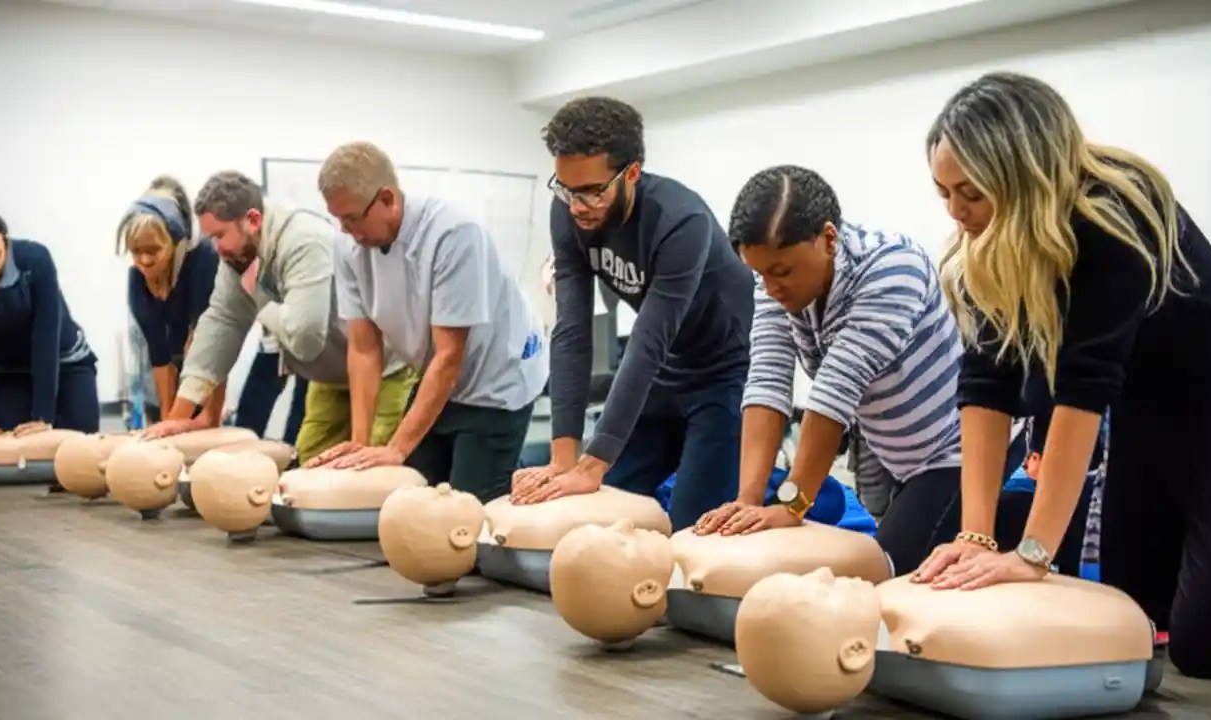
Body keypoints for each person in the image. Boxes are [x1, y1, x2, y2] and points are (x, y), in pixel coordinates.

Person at [913, 71, 1211, 680]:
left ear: (1021, 177)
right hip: (1148, 412)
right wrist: (977, 536)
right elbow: (985, 387)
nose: (956, 213)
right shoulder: (995, 243)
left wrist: (1034, 554)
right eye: (944, 193)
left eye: (970, 193)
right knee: (1130, 617)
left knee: (1208, 651)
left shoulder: (1117, 212)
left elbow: (1082, 388)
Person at [692, 165, 1090, 578]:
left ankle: (1030, 521)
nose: (771, 287)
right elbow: (767, 378)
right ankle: (1010, 521)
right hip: (898, 453)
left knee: (890, 572)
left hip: (957, 449)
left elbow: (834, 392)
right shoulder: (774, 277)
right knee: (911, 556)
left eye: (782, 272)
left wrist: (791, 504)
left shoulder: (892, 268)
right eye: (760, 274)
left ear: (828, 239)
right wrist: (750, 499)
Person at [511, 96, 754, 532]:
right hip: (663, 378)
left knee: (689, 528)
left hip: (723, 375)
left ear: (633, 174)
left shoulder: (680, 219)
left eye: (592, 191)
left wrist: (594, 463)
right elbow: (572, 331)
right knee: (599, 510)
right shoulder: (568, 212)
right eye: (567, 189)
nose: (577, 205)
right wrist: (565, 459)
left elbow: (648, 341)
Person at [309, 141, 547, 504]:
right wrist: (361, 444)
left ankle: (518, 477)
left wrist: (396, 448)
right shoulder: (348, 245)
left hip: (498, 379)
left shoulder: (453, 234)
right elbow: (363, 347)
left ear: (387, 198)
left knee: (466, 511)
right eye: (338, 219)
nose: (345, 230)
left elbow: (450, 355)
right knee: (412, 492)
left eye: (352, 218)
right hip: (438, 376)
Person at [142, 170, 411, 461]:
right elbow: (220, 326)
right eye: (211, 238)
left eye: (220, 236)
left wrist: (259, 299)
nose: (216, 249)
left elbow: (305, 339)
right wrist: (177, 420)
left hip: (384, 370)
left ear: (253, 220)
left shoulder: (304, 241)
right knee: (310, 466)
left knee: (369, 468)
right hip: (332, 377)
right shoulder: (236, 257)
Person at [0, 202, 99, 435]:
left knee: (80, 446)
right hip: (9, 372)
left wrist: (43, 415)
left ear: (2, 235)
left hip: (67, 363)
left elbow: (46, 335)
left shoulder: (35, 259)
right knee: (3, 444)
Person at [119, 176, 221, 424]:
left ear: (174, 242)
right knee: (163, 425)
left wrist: (208, 416)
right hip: (166, 361)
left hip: (204, 356)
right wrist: (167, 418)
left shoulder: (203, 260)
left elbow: (207, 344)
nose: (143, 261)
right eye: (136, 252)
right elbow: (158, 352)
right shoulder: (137, 279)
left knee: (199, 424)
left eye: (152, 250)